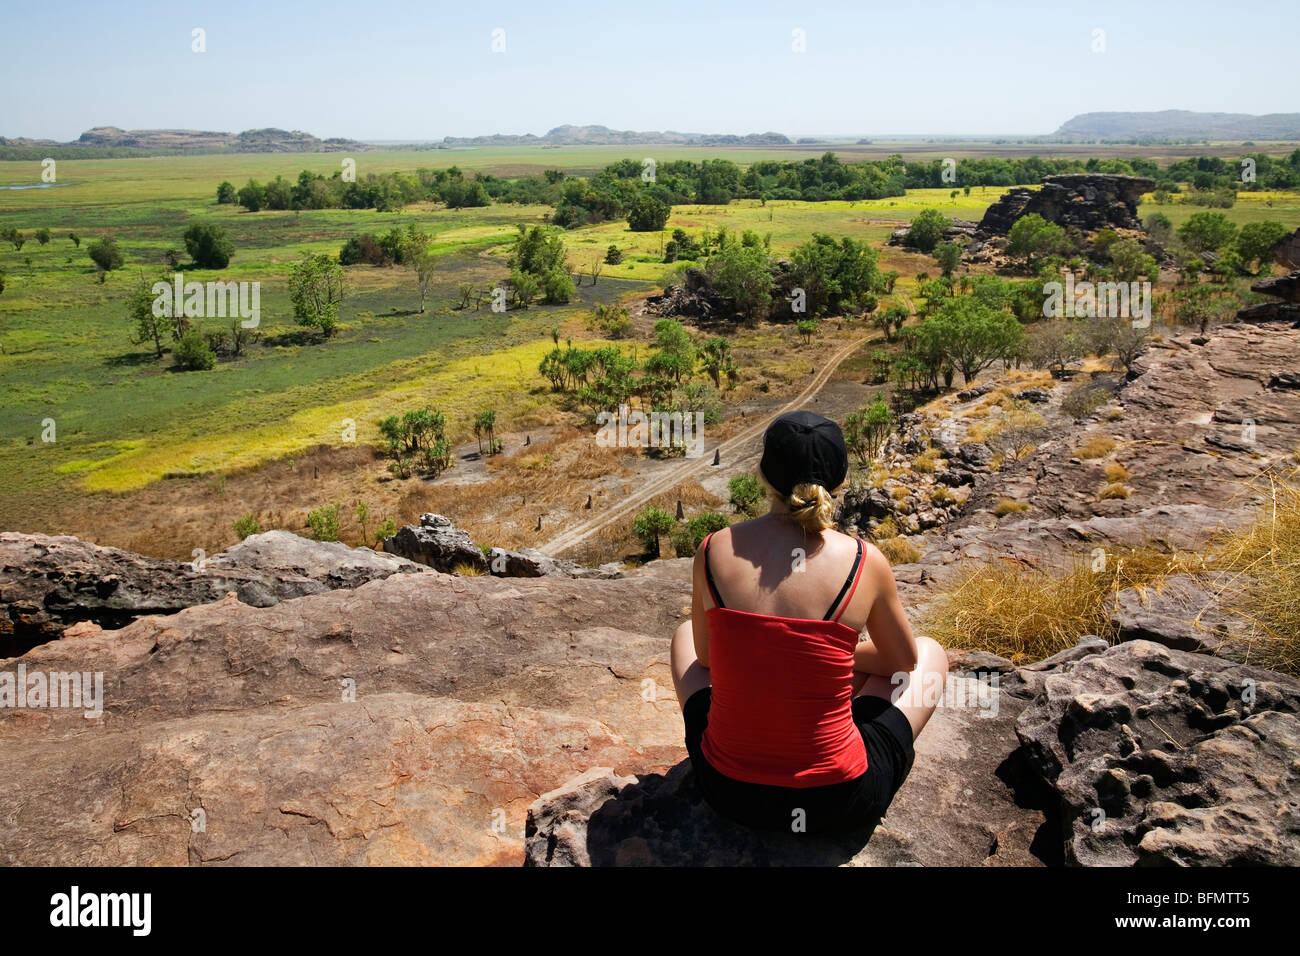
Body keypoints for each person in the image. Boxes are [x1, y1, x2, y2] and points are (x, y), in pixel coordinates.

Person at [669, 410, 949, 835]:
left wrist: (789, 657)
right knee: (930, 654)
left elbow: (706, 659)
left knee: (684, 635)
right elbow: (901, 662)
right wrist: (827, 657)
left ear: (764, 475)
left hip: (728, 792)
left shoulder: (713, 550)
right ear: (839, 482)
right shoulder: (863, 561)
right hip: (838, 800)